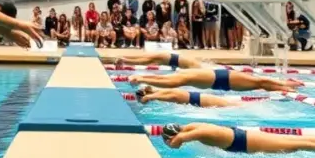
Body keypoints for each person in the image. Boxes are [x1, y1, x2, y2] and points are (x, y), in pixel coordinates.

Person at [159, 122, 315, 156]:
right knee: (292, 142)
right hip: (243, 136)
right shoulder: (191, 125)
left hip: (245, 142)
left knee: (295, 145)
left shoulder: (189, 133)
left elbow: (176, 144)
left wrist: (170, 141)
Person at [128, 68, 300, 94]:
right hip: (223, 79)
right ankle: (285, 85)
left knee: (259, 83)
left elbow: (163, 81)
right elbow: (161, 79)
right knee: (259, 83)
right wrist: (142, 78)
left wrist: (141, 78)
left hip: (224, 78)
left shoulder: (180, 77)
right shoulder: (180, 76)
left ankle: (285, 85)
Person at [134, 84, 248, 108]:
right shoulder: (160, 92)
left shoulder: (162, 94)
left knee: (233, 106)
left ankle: (249, 105)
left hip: (202, 100)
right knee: (232, 105)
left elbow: (173, 96)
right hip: (200, 99)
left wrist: (148, 97)